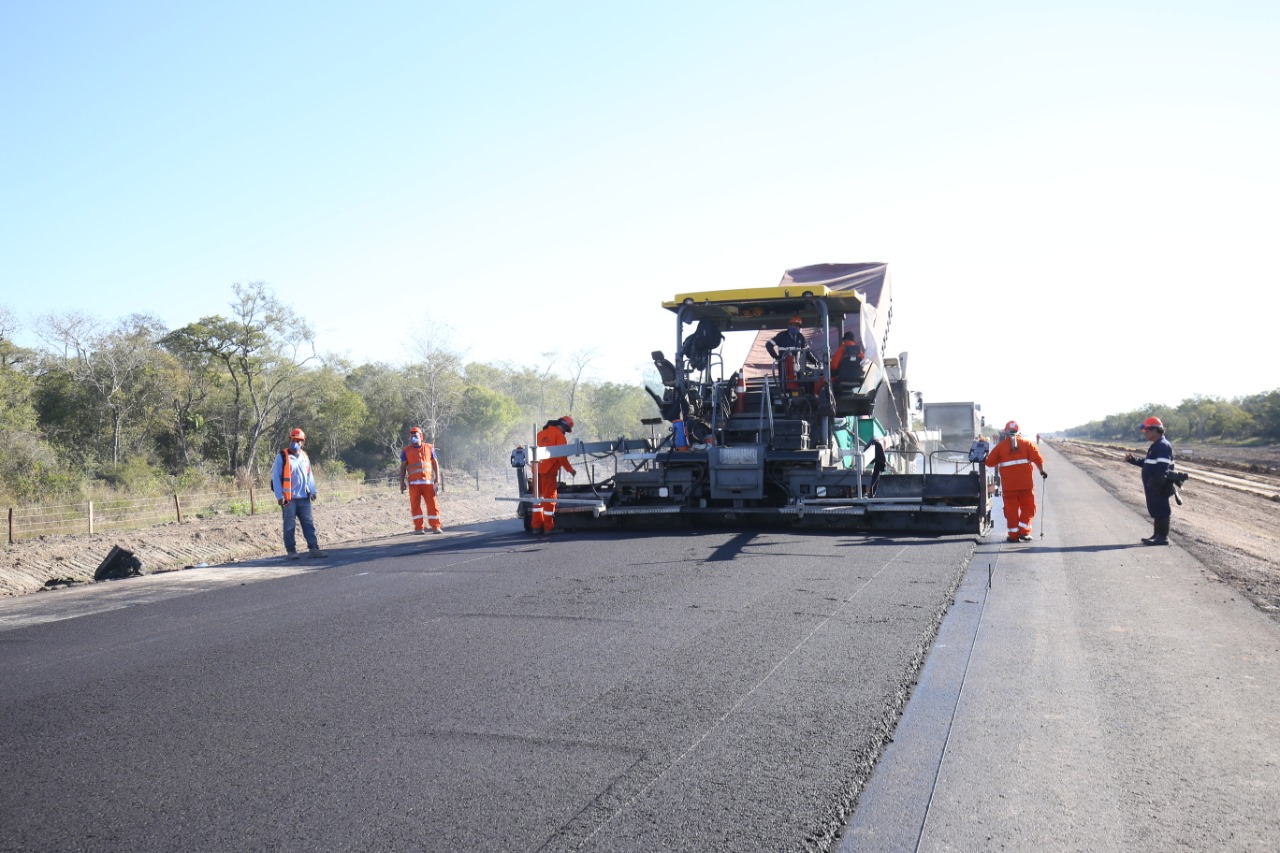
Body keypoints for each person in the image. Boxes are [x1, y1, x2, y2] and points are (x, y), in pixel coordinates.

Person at [984, 420, 1047, 542]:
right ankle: (1024, 532)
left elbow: (989, 462)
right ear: (1018, 431)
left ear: (1005, 432)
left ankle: (1013, 536)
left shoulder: (1000, 447)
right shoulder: (1027, 444)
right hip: (1026, 486)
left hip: (1009, 487)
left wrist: (983, 455)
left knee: (1011, 510)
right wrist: (1042, 471)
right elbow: (1038, 460)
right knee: (1028, 508)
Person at [271, 427, 327, 559]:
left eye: (299, 440)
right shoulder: (282, 456)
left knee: (308, 524)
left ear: (303, 442)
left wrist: (312, 491)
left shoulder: (304, 456)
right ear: (289, 439)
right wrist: (280, 496)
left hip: (304, 498)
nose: (296, 442)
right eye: (294, 439)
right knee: (289, 526)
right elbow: (276, 478)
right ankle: (291, 551)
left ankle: (314, 549)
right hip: (289, 499)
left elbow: (309, 475)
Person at [1125, 416, 1174, 545]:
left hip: (1159, 486)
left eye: (1147, 430)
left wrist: (1157, 484)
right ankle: (1157, 535)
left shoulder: (1162, 446)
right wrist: (1133, 460)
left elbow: (1163, 468)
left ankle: (1162, 538)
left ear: (1155, 430)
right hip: (1153, 485)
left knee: (1162, 509)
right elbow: (1148, 464)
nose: (1145, 433)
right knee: (1155, 509)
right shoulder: (1156, 446)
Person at [531, 415, 576, 535]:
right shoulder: (559, 436)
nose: (565, 433)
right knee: (549, 499)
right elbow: (562, 456)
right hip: (549, 472)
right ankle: (548, 527)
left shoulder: (540, 434)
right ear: (564, 427)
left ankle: (536, 527)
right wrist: (570, 469)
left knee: (537, 499)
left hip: (536, 471)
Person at [399, 426, 444, 534]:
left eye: (415, 436)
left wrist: (437, 479)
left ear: (421, 437)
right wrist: (401, 482)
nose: (413, 438)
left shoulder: (429, 448)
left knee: (433, 505)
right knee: (415, 506)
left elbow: (435, 463)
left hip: (428, 483)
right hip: (414, 484)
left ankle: (436, 526)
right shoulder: (405, 451)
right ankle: (419, 528)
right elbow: (403, 467)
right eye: (411, 436)